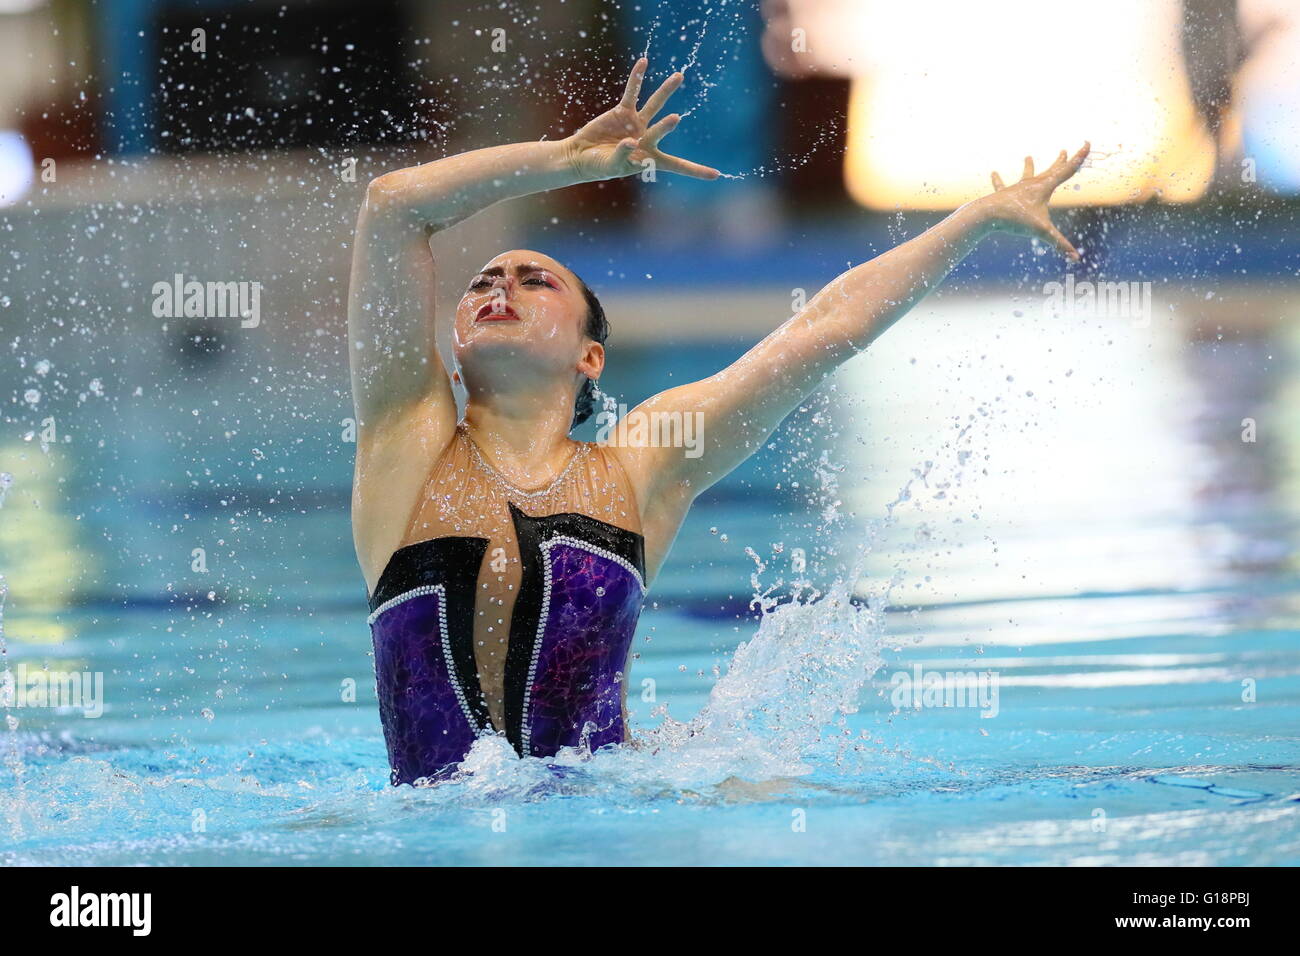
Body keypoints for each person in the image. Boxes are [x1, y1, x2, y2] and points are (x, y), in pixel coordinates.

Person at [348, 57, 1089, 784]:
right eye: (481, 280)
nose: (499, 286)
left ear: (591, 357)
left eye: (534, 279)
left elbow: (822, 331)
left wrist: (974, 220)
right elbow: (393, 205)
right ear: (454, 342)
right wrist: (566, 161)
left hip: (610, 828)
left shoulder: (639, 466)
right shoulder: (407, 449)